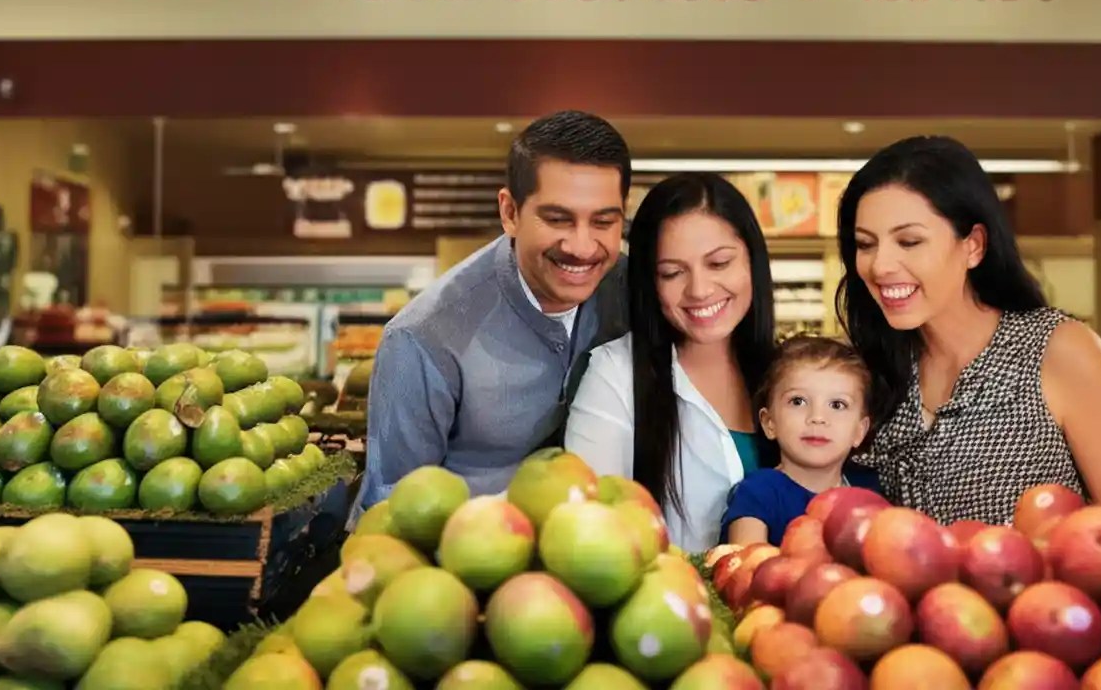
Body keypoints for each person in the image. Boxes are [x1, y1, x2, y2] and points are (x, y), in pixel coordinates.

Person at [836, 135, 1101, 526]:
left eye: (909, 241)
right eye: (865, 244)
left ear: (973, 246)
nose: (880, 265)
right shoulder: (867, 369)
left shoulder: (1057, 349)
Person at [354, 110, 631, 513]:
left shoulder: (634, 292)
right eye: (558, 219)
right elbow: (391, 511)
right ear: (510, 213)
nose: (582, 246)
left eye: (603, 222)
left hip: (606, 552)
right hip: (471, 562)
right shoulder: (422, 338)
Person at [564, 172, 777, 552]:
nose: (699, 289)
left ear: (752, 261)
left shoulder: (786, 374)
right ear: (650, 282)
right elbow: (589, 533)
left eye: (719, 263)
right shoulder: (616, 376)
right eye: (672, 273)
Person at [721, 336, 881, 546]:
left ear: (859, 431)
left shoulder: (868, 496)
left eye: (837, 405)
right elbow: (746, 565)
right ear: (769, 423)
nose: (817, 417)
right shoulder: (758, 492)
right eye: (798, 401)